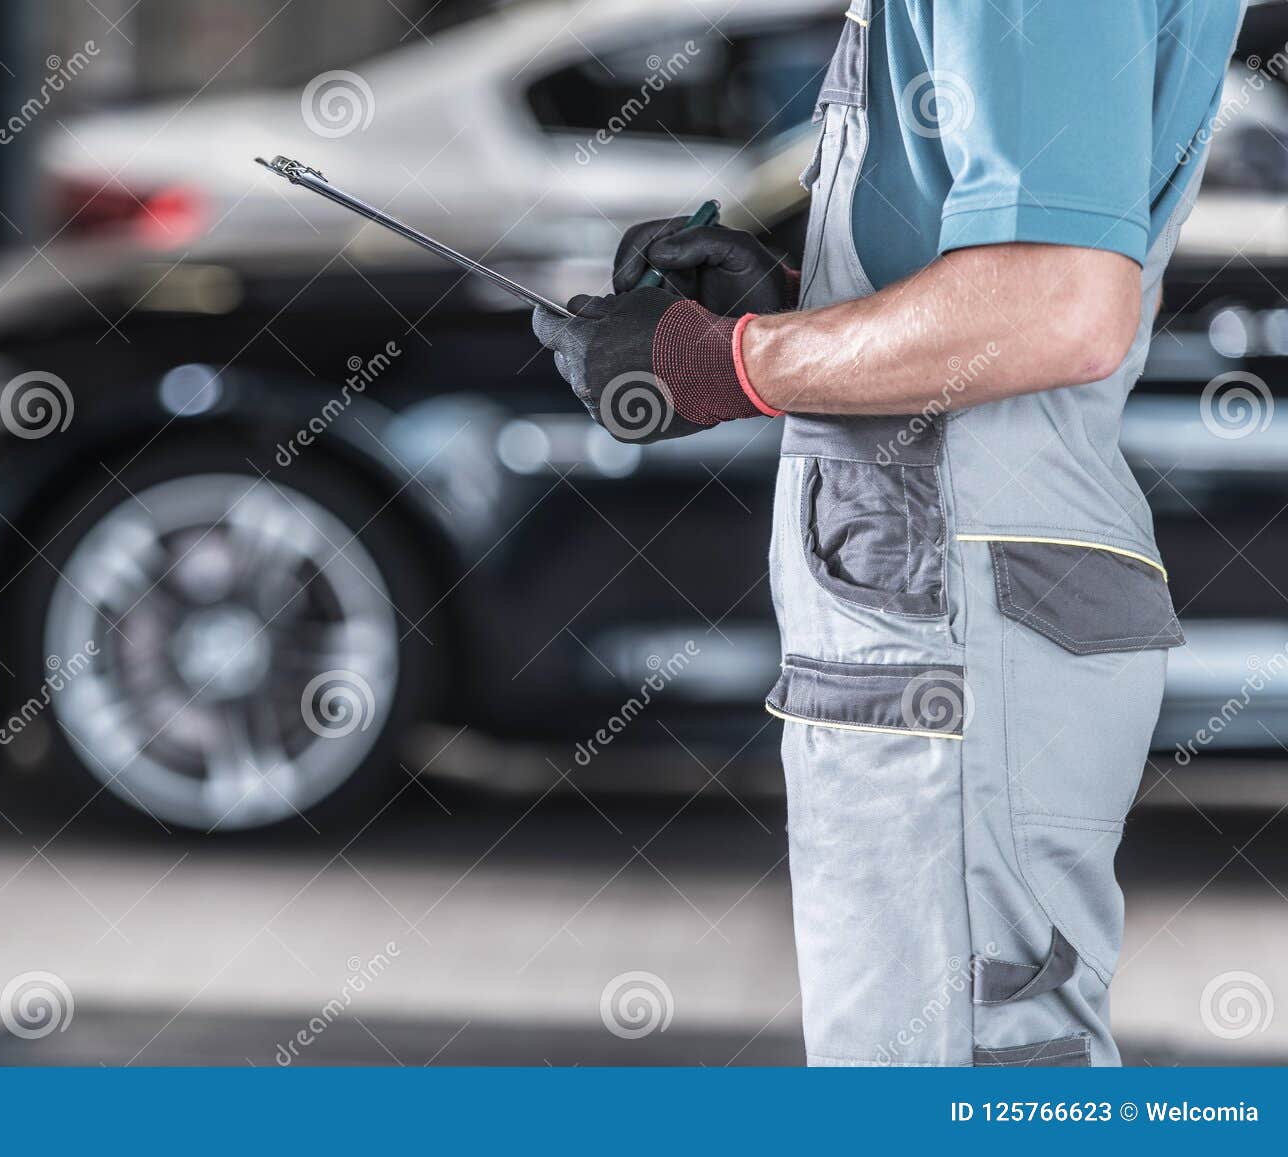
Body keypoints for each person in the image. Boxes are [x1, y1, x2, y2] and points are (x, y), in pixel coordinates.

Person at [533, 0, 1245, 1067]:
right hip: (961, 575)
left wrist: (728, 361)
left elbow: (1057, 301)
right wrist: (780, 302)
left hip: (954, 582)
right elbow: (1009, 254)